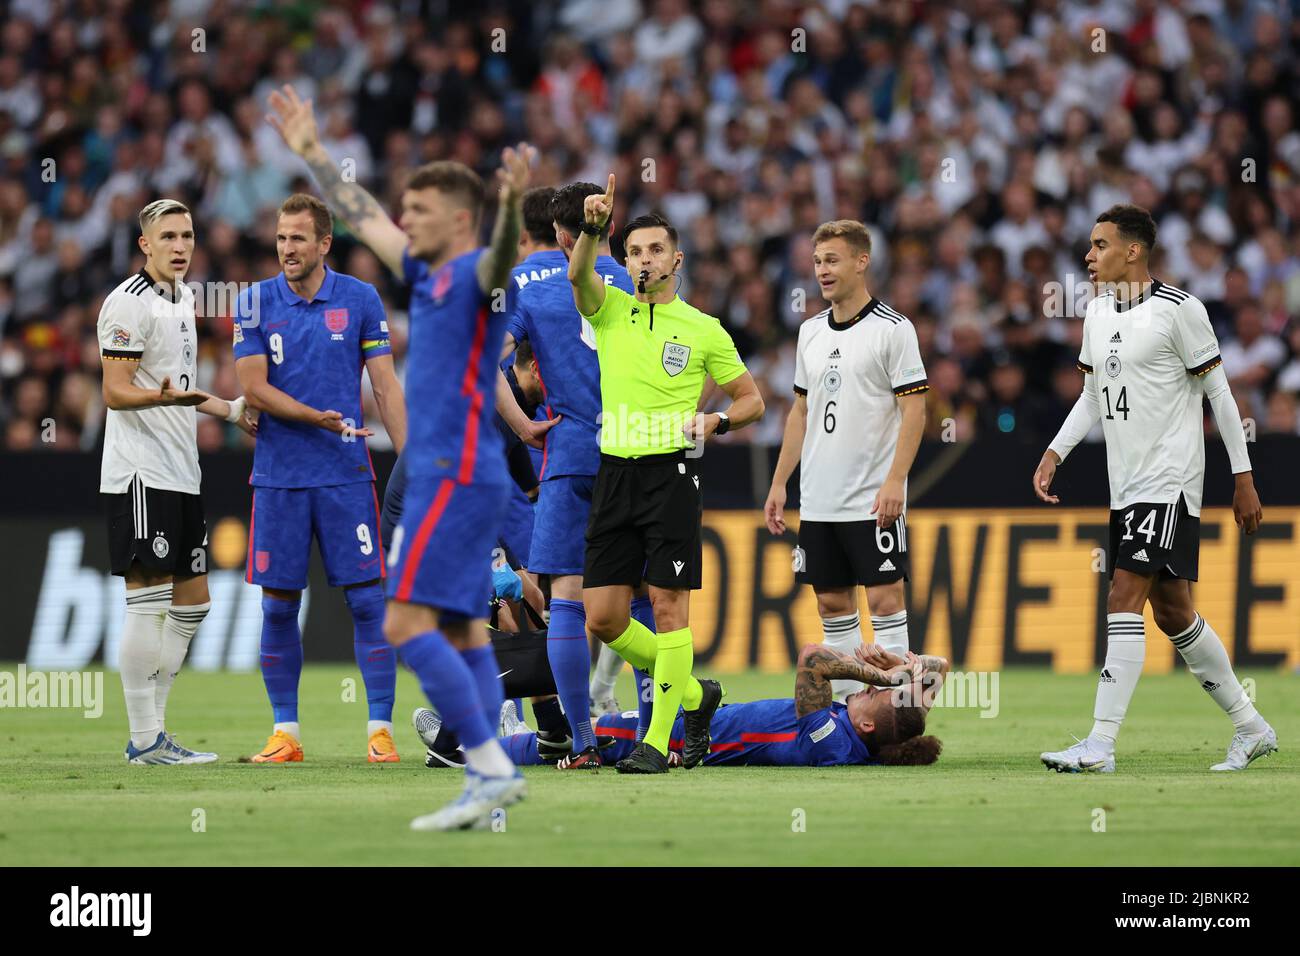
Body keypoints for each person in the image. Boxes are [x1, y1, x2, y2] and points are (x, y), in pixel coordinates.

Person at [268, 84, 534, 829]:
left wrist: (511, 208)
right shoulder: (426, 271)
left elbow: (502, 249)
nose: (403, 222)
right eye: (406, 211)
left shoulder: (482, 273)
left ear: (458, 219)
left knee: (402, 625)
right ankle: (492, 784)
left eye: (419, 213)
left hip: (454, 473)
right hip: (455, 474)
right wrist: (314, 152)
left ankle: (487, 766)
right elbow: (364, 215)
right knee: (461, 629)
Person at [1035, 203, 1277, 773]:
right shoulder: (1096, 314)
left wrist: (1243, 478)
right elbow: (1094, 396)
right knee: (1174, 613)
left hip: (1168, 481)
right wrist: (1054, 451)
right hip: (1126, 486)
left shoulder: (1180, 311)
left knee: (1123, 596)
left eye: (1099, 245)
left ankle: (1099, 743)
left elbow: (1220, 396)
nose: (1089, 256)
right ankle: (1251, 726)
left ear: (1133, 251)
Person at [569, 175, 766, 772]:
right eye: (634, 251)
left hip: (671, 477)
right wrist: (592, 227)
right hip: (614, 474)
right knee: (602, 615)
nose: (645, 260)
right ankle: (694, 692)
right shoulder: (609, 310)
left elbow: (752, 400)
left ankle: (658, 743)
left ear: (675, 259)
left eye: (655, 250)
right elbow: (578, 276)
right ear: (622, 260)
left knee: (669, 608)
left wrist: (716, 424)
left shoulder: (704, 328)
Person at [233, 193, 407, 764]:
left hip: (345, 476)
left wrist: (409, 464)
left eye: (298, 238)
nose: (287, 248)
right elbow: (253, 387)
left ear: (324, 243)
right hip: (279, 478)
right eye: (282, 237)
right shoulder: (254, 301)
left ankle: (380, 732)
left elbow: (384, 387)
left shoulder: (360, 298)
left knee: (368, 604)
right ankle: (287, 733)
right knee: (279, 608)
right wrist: (315, 417)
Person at [496, 180, 656, 769]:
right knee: (641, 596)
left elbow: (488, 366)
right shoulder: (644, 275)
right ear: (609, 227)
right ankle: (651, 733)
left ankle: (581, 743)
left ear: (558, 235)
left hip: (569, 454)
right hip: (639, 455)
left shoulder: (525, 287)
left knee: (565, 599)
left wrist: (523, 426)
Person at [98, 198, 256, 764]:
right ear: (145, 244)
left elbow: (181, 388)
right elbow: (115, 393)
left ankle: (155, 733)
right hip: (140, 472)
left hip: (182, 469)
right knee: (149, 600)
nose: (180, 246)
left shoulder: (186, 297)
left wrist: (230, 411)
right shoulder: (127, 304)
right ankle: (144, 740)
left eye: (187, 235)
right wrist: (170, 398)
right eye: (167, 237)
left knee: (194, 604)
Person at [765, 220, 928, 701]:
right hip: (819, 498)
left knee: (884, 598)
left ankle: (899, 711)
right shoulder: (810, 332)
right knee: (833, 603)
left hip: (872, 497)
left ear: (862, 261)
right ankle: (850, 714)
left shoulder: (894, 330)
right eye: (817, 262)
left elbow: (914, 409)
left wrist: (896, 480)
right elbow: (801, 411)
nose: (822, 271)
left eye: (832, 260)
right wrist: (779, 484)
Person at [475, 643, 947, 769]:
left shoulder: (830, 743)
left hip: (690, 738)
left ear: (865, 724)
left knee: (591, 737)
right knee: (596, 726)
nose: (864, 690)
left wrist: (880, 675)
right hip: (703, 721)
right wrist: (904, 672)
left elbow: (811, 660)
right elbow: (941, 668)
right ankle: (511, 728)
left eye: (872, 695)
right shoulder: (876, 731)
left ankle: (473, 747)